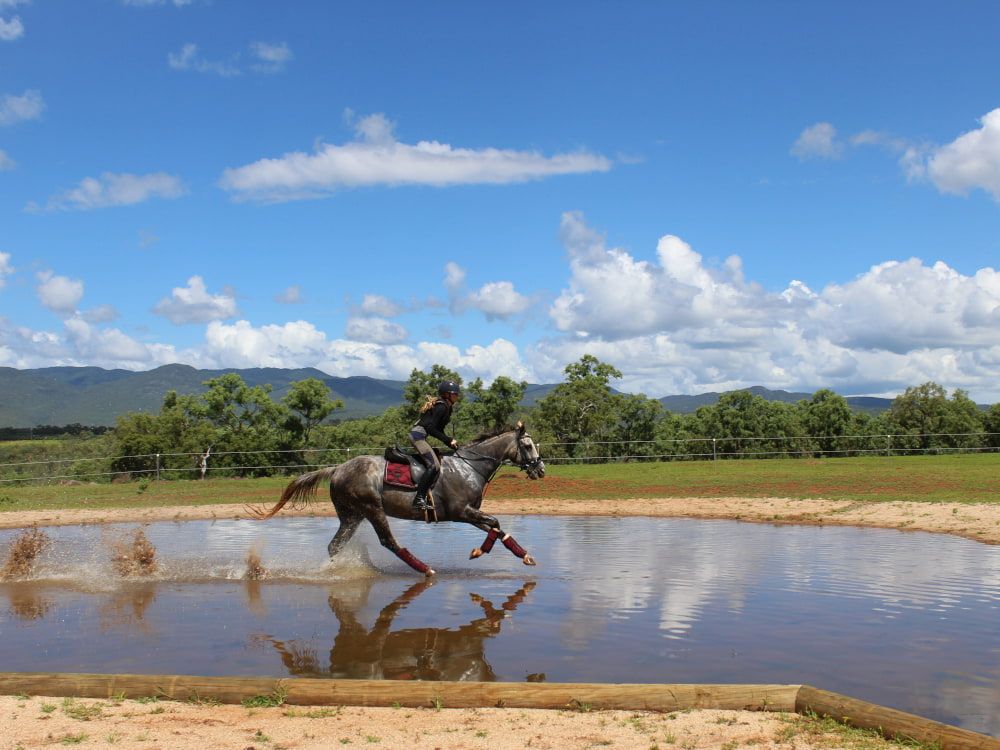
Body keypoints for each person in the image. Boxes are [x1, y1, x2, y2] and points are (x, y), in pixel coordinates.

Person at [409, 380, 460, 512]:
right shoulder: (441, 406)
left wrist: (449, 442)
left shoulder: (448, 407)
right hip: (417, 436)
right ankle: (419, 499)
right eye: (455, 393)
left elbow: (438, 430)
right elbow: (430, 428)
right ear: (447, 394)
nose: (457, 396)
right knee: (434, 465)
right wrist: (448, 440)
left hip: (421, 436)